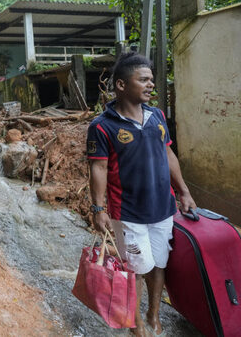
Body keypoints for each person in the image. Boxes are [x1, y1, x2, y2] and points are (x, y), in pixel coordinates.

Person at [86, 52, 196, 337]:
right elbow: (97, 169)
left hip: (163, 208)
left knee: (159, 263)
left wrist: (183, 192)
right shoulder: (102, 126)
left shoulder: (157, 115)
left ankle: (153, 314)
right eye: (143, 79)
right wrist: (99, 210)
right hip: (127, 215)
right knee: (133, 268)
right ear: (121, 85)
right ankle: (135, 325)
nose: (150, 85)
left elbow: (168, 152)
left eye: (151, 79)